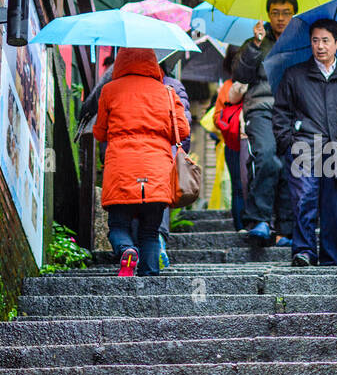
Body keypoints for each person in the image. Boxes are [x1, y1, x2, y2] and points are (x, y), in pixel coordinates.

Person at [273, 17, 337, 267]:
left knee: (333, 207)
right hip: (304, 147)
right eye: (315, 40)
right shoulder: (294, 75)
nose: (320, 46)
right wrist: (287, 143)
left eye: (326, 41)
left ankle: (332, 259)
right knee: (304, 198)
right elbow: (281, 113)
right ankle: (304, 251)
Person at [92, 47, 190, 276]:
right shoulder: (167, 92)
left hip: (121, 169)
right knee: (149, 231)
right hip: (156, 171)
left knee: (118, 225)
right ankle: (150, 279)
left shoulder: (110, 90)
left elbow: (99, 132)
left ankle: (126, 249)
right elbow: (182, 130)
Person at [231, 0, 298, 245]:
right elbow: (240, 74)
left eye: (286, 13)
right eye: (276, 13)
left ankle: (284, 230)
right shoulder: (255, 41)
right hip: (260, 107)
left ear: (294, 15)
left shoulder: (301, 41)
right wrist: (255, 46)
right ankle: (258, 219)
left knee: (288, 165)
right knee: (268, 157)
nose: (281, 18)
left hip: (291, 111)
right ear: (269, 15)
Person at [214, 46, 247, 231]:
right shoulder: (227, 87)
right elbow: (217, 118)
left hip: (234, 144)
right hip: (235, 144)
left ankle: (243, 224)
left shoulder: (226, 86)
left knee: (238, 186)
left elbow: (217, 118)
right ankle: (242, 224)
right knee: (238, 185)